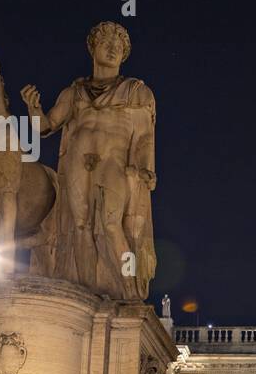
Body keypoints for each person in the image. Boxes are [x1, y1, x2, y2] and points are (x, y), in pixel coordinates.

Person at [22, 22, 156, 299]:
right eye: (106, 44)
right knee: (79, 225)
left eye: (118, 47)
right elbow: (46, 126)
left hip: (114, 162)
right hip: (78, 161)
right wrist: (33, 108)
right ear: (93, 48)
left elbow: (144, 136)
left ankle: (129, 290)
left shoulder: (135, 91)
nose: (112, 50)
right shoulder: (74, 93)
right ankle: (85, 293)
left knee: (110, 223)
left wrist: (143, 169)